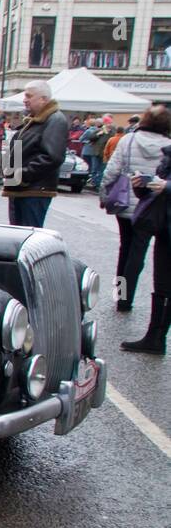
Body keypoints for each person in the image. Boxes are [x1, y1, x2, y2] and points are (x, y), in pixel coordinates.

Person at [106, 106, 171, 313]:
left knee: (124, 250)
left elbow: (111, 171)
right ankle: (127, 297)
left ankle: (121, 297)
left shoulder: (128, 140)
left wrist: (105, 196)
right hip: (153, 205)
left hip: (126, 202)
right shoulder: (168, 145)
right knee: (137, 253)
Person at [121, 140, 171, 355]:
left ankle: (156, 338)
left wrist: (167, 187)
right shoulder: (167, 153)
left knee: (164, 282)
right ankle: (154, 338)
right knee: (162, 284)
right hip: (161, 224)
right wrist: (142, 185)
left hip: (161, 223)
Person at [3, 80, 66, 228]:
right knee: (18, 233)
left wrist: (23, 175)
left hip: (33, 190)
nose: (25, 100)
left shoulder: (54, 120)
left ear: (43, 99)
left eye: (29, 96)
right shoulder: (34, 120)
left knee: (28, 234)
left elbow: (52, 157)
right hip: (22, 189)